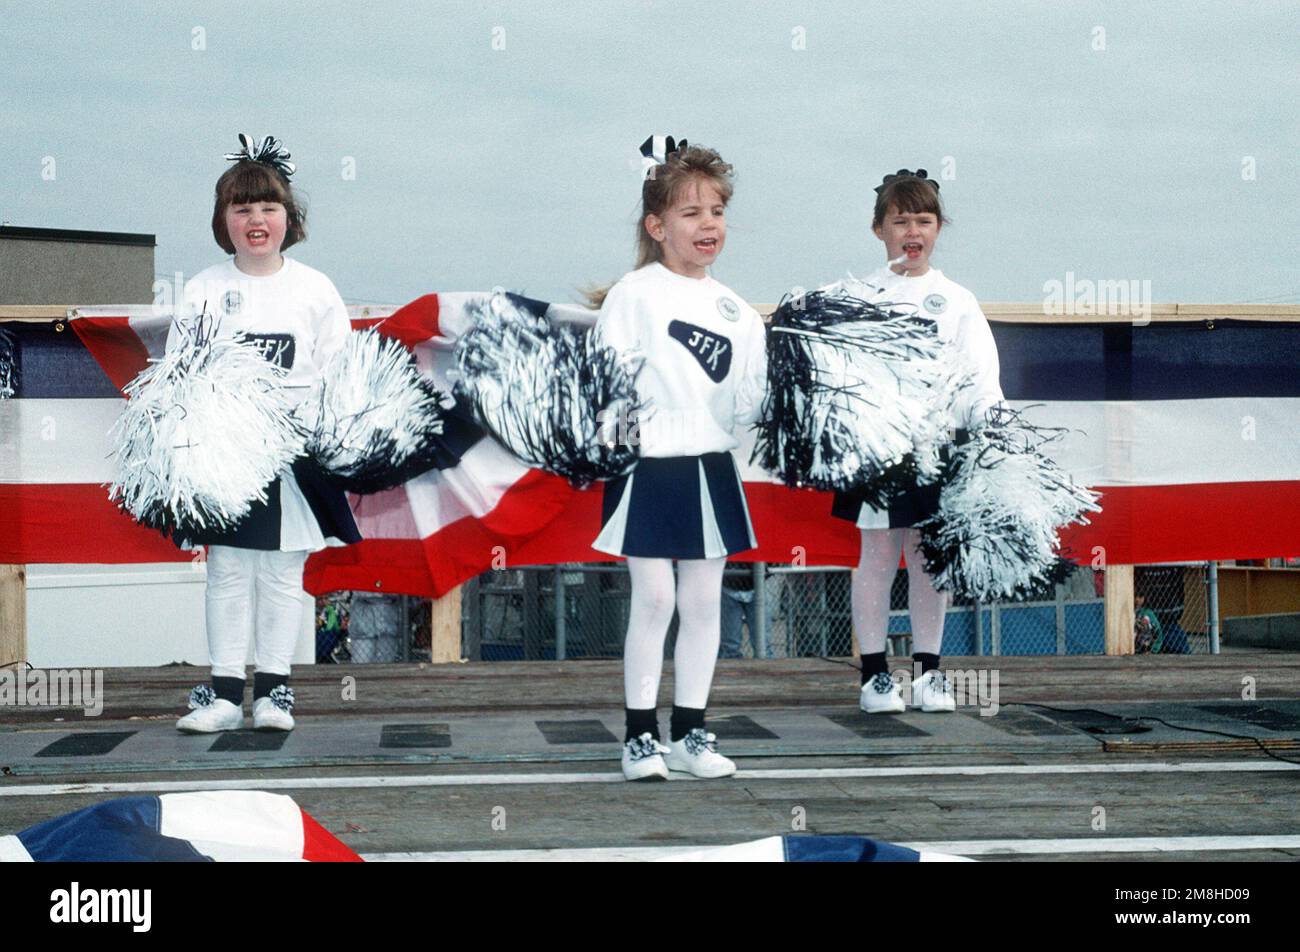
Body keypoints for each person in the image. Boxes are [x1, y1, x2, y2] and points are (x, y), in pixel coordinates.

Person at [591, 136, 767, 780]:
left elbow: (747, 402)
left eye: (716, 211)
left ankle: (691, 732)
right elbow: (606, 381)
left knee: (703, 604)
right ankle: (640, 735)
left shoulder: (740, 314)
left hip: (710, 469)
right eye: (691, 214)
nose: (707, 225)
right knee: (655, 597)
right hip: (648, 466)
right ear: (657, 225)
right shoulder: (634, 294)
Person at [174, 135, 360, 734]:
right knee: (228, 567)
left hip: (296, 454)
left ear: (289, 219)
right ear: (223, 220)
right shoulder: (202, 289)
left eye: (268, 207)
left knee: (283, 572)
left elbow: (342, 375)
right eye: (242, 208)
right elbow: (181, 375)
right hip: (226, 453)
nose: (256, 219)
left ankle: (275, 690)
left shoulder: (314, 290)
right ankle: (225, 691)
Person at [830, 168, 1003, 715]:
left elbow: (982, 379)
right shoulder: (856, 297)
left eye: (923, 220)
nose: (913, 231)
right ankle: (876, 676)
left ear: (938, 228)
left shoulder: (956, 300)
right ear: (878, 228)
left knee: (931, 560)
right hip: (879, 451)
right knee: (877, 558)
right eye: (900, 220)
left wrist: (992, 435)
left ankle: (929, 673)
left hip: (939, 450)